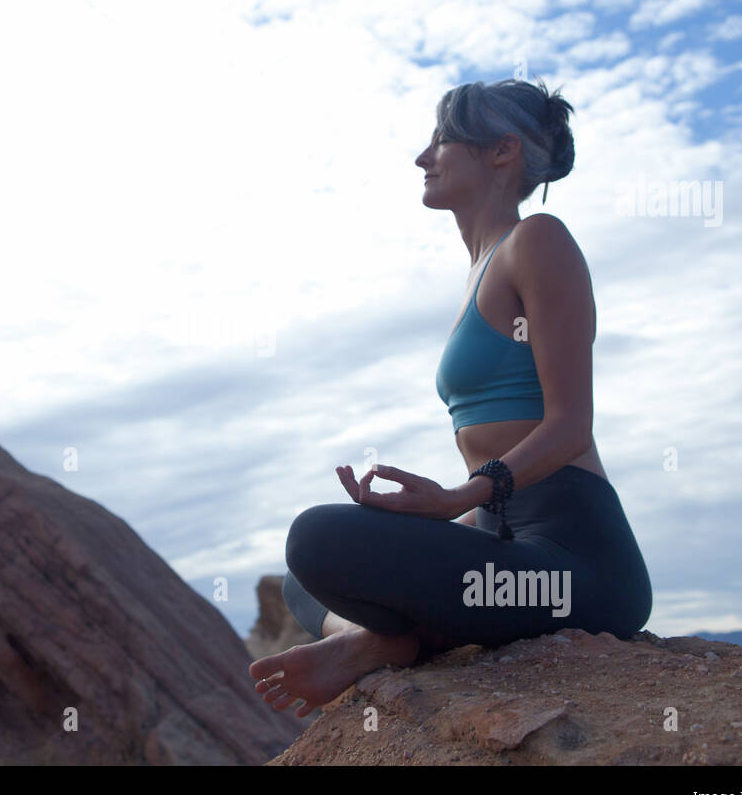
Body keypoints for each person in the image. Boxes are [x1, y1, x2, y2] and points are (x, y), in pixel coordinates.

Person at [248, 76, 653, 718]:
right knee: (303, 578)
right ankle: (387, 639)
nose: (422, 157)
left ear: (502, 152)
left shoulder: (538, 240)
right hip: (500, 548)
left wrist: (458, 498)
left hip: (574, 568)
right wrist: (440, 516)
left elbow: (571, 425)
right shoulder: (480, 269)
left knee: (317, 537)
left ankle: (380, 642)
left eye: (442, 139)